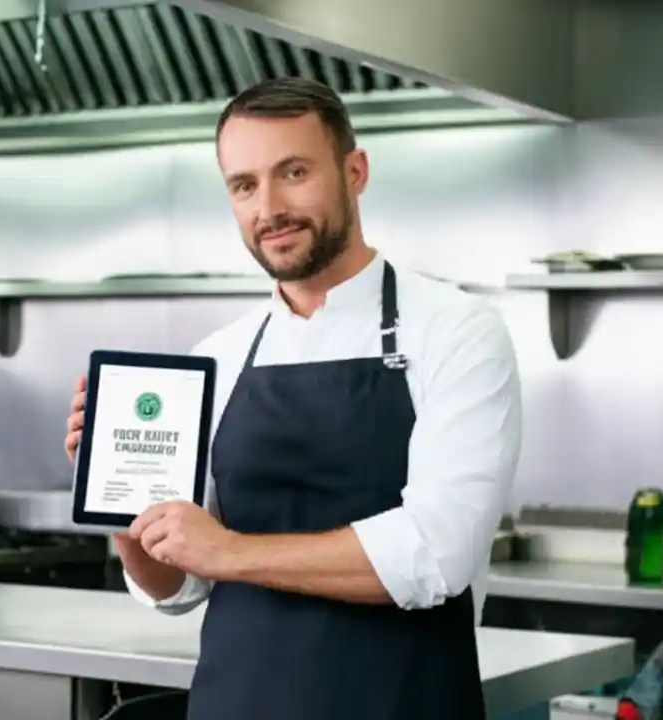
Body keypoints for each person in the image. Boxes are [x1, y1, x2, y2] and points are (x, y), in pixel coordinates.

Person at [64, 76, 522, 720]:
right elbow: (179, 585)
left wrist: (228, 550)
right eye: (244, 185)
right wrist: (121, 503)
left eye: (295, 172)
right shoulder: (219, 356)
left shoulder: (457, 330)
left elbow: (435, 552)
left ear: (355, 171)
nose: (269, 207)